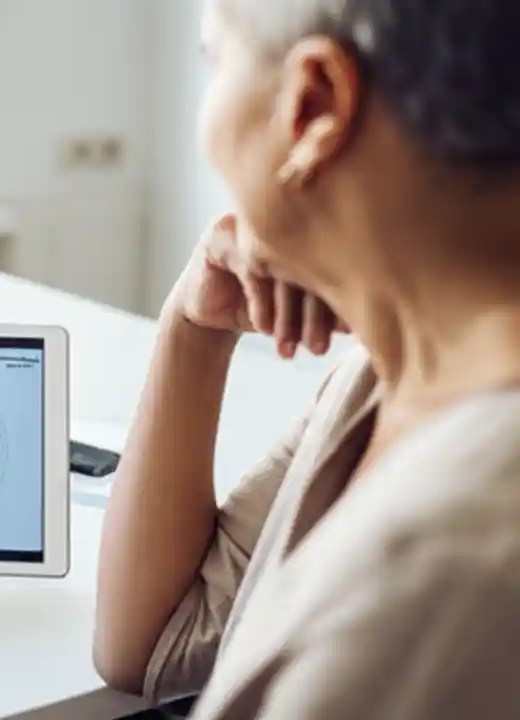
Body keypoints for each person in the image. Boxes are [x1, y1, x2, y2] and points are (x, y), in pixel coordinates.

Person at [95, 0, 520, 717]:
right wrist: (192, 330)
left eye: (216, 61)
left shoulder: (448, 565)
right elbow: (154, 642)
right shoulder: (382, 378)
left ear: (314, 104)